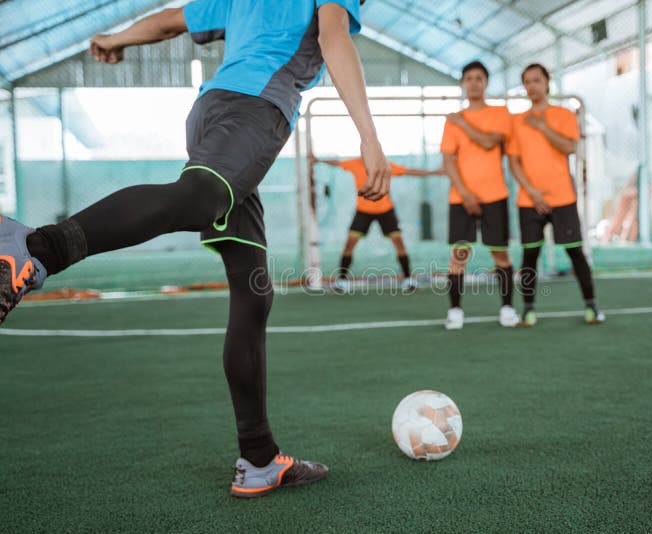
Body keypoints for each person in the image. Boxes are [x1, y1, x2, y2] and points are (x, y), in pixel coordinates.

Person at [0, 0, 392, 498]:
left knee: (253, 290)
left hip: (212, 110)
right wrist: (369, 136)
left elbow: (169, 20)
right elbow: (333, 35)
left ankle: (258, 459)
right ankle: (35, 247)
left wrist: (116, 39)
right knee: (199, 198)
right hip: (255, 111)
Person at [507, 63, 605, 327]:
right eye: (527, 82)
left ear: (547, 83)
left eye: (536, 80)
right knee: (529, 255)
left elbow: (569, 147)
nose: (532, 86)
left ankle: (591, 306)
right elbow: (513, 162)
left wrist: (542, 126)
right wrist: (532, 192)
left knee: (575, 252)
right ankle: (528, 310)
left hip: (562, 197)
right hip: (529, 200)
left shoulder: (563, 115)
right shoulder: (517, 121)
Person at [440, 61, 518, 330]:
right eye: (469, 78)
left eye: (478, 78)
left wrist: (464, 123)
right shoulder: (451, 120)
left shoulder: (500, 113)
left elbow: (488, 142)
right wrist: (465, 194)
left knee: (501, 256)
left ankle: (507, 308)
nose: (473, 83)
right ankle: (455, 311)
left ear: (486, 83)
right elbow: (448, 160)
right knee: (459, 256)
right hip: (461, 198)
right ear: (463, 83)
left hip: (495, 195)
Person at [311, 154, 442, 293]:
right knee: (349, 246)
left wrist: (434, 172)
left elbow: (408, 171)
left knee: (400, 245)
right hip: (362, 212)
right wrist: (317, 160)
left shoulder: (385, 165)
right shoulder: (355, 163)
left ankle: (408, 279)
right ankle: (342, 281)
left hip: (386, 212)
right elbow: (337, 163)